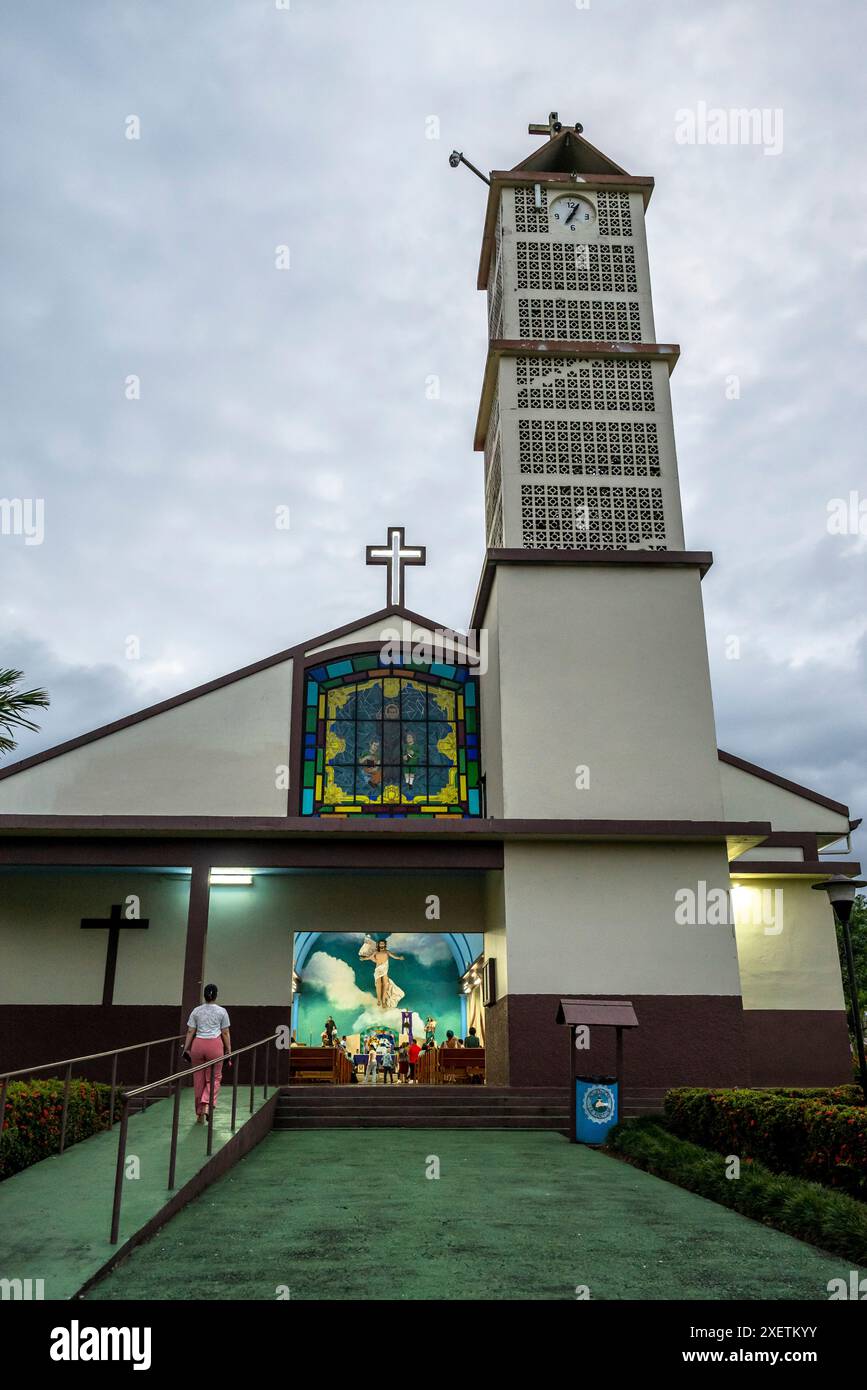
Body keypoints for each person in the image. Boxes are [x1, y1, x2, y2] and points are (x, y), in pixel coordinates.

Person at [183, 984, 231, 1125]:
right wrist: (228, 1049)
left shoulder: (196, 1011)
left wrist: (186, 1048)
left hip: (198, 1045)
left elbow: (191, 1031)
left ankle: (199, 1114)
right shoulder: (222, 1011)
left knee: (198, 1079)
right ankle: (207, 1105)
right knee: (214, 1078)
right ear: (216, 995)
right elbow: (225, 1032)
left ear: (204, 996)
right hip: (214, 1046)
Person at [358, 935, 406, 1009]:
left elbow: (393, 956)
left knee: (385, 984)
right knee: (378, 984)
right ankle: (379, 1000)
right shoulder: (376, 952)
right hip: (378, 969)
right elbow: (369, 957)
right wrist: (363, 959)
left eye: (383, 944)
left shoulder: (387, 952)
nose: (382, 945)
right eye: (380, 944)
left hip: (384, 968)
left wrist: (399, 958)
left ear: (385, 945)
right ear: (378, 945)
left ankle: (383, 1000)